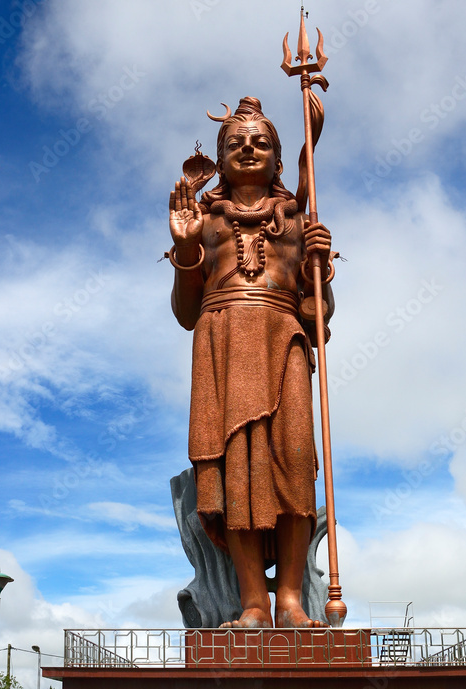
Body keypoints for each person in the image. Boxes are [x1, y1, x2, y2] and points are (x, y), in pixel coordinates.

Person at [169, 96, 334, 628]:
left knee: (292, 466)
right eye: (235, 142)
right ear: (217, 159)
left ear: (279, 161)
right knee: (234, 472)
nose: (247, 148)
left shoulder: (296, 221)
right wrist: (186, 253)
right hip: (220, 341)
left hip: (282, 340)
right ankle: (253, 603)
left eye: (260, 141)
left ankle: (289, 598)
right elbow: (186, 311)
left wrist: (321, 271)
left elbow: (318, 316)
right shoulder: (208, 220)